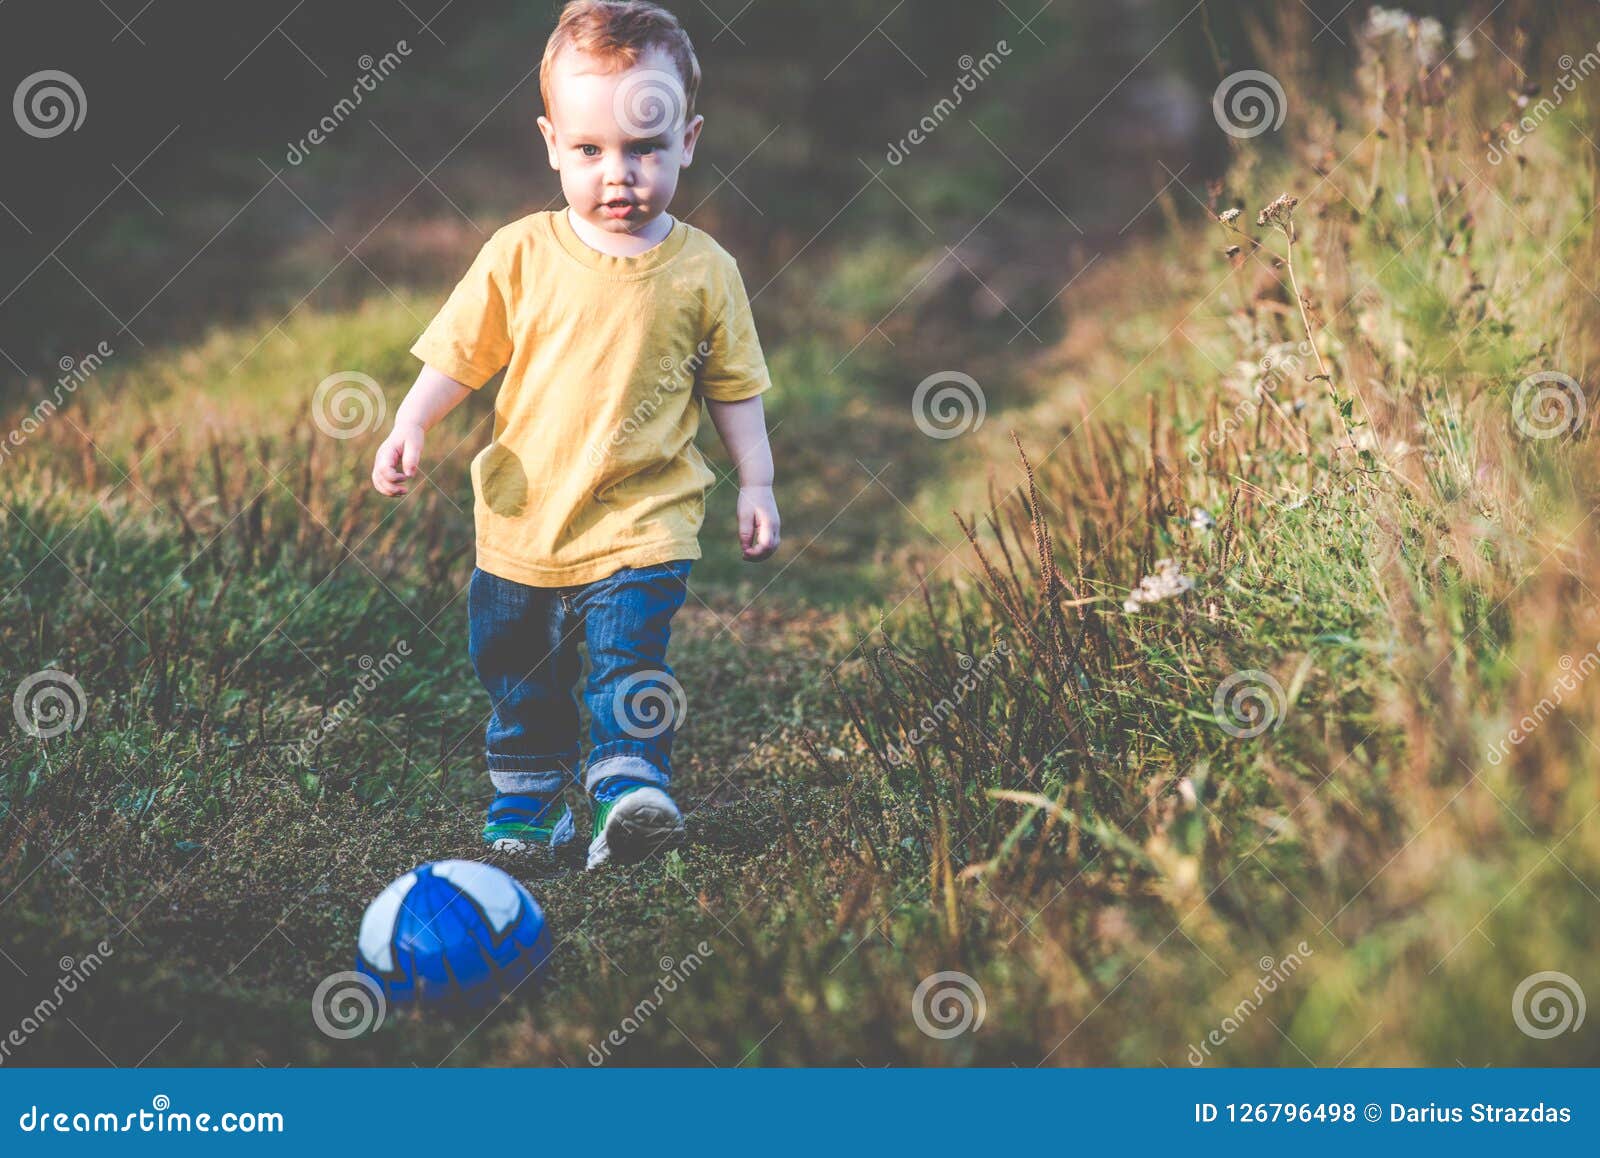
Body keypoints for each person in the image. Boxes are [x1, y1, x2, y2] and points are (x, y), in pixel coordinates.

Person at [371, 0, 779, 870]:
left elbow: (734, 389)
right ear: (552, 143)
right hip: (522, 517)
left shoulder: (706, 270)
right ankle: (526, 802)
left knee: (627, 660)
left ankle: (629, 789)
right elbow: (460, 354)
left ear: (690, 141)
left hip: (645, 518)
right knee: (514, 664)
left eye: (645, 150)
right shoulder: (521, 253)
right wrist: (410, 420)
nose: (617, 175)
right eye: (590, 151)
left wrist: (758, 482)